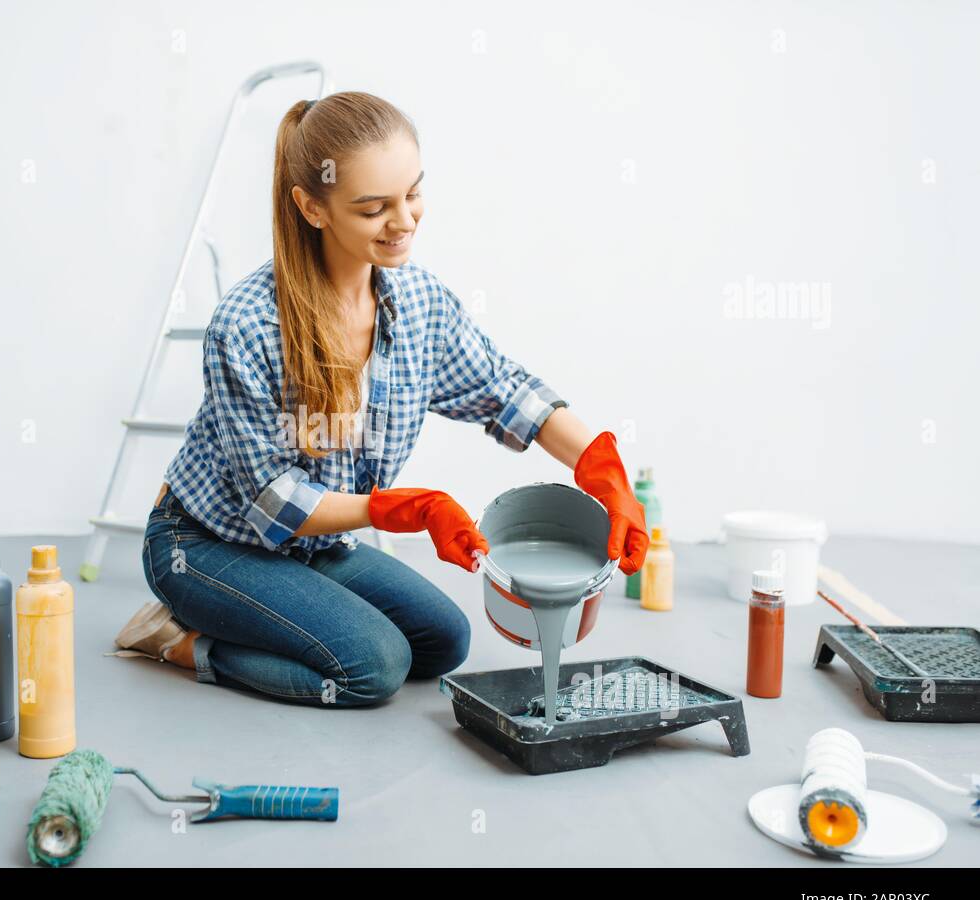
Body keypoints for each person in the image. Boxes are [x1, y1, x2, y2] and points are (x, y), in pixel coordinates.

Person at [116, 92, 648, 707]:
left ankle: (283, 608)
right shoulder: (246, 324)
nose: (405, 221)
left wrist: (602, 468)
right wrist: (404, 508)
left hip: (312, 549)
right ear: (312, 208)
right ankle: (178, 639)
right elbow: (272, 502)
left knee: (444, 641)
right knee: (374, 666)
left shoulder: (419, 304)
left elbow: (510, 392)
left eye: (413, 194)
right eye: (374, 209)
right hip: (206, 544)